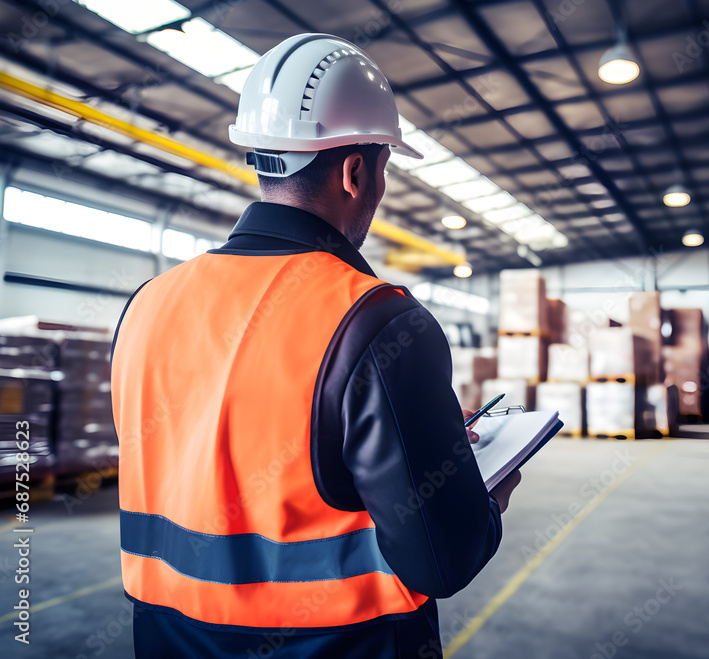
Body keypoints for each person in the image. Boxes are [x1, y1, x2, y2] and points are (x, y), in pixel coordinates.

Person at [110, 33, 519, 659]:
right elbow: (442, 559)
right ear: (357, 171)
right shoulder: (377, 320)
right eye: (384, 168)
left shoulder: (147, 304)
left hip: (164, 639)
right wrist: (485, 496)